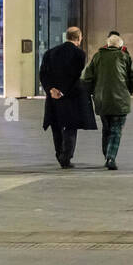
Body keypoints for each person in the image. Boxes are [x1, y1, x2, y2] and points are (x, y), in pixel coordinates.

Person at [38, 26, 97, 169]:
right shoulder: (79, 54)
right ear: (78, 38)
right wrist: (62, 91)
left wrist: (51, 89)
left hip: (53, 98)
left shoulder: (50, 53)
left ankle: (59, 153)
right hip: (70, 96)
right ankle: (66, 156)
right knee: (70, 126)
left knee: (56, 125)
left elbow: (43, 74)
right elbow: (74, 76)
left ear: (66, 36)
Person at [82, 30, 133, 170]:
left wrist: (93, 92)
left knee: (106, 128)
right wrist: (128, 90)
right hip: (120, 100)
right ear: (120, 46)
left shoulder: (97, 57)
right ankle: (110, 157)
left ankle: (107, 155)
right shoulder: (125, 56)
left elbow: (86, 78)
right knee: (116, 130)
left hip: (102, 100)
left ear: (107, 45)